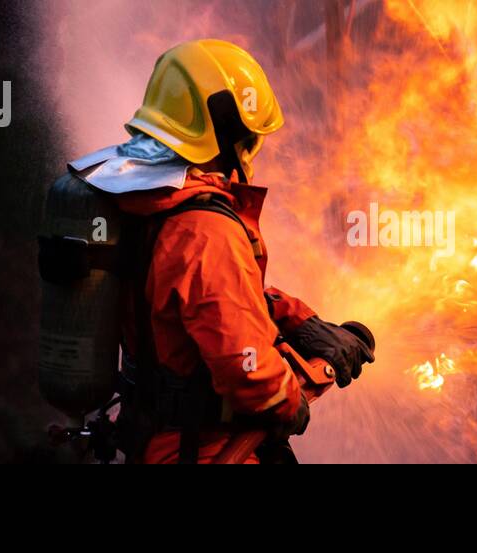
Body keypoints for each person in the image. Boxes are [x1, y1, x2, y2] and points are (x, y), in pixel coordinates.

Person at [66, 39, 373, 463]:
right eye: (251, 138)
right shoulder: (205, 229)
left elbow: (206, 294)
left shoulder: (144, 199)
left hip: (150, 434)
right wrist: (288, 396)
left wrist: (300, 321)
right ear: (227, 131)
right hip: (203, 449)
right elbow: (245, 371)